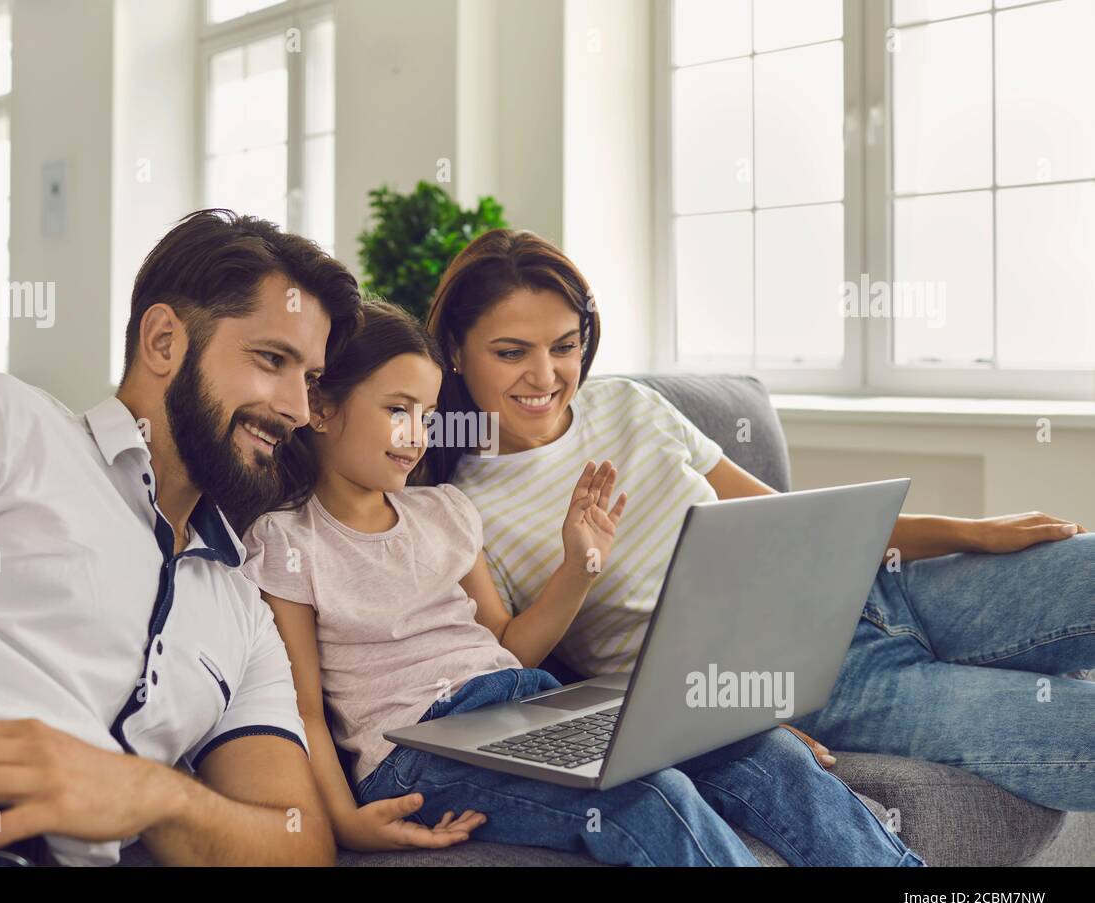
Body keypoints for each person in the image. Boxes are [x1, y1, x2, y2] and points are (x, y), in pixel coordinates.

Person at [426, 227, 1095, 813]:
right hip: (819, 687)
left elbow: (789, 519)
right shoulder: (460, 506)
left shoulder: (631, 405)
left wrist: (969, 531)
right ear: (455, 351)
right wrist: (582, 570)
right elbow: (513, 663)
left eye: (565, 345)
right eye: (511, 352)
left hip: (880, 590)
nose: (545, 375)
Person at [240, 301, 924, 866]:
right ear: (322, 410)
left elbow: (513, 643)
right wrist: (344, 822)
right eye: (397, 410)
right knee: (646, 796)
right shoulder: (287, 541)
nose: (417, 435)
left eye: (427, 414)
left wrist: (579, 565)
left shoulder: (444, 511)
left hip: (524, 702)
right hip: (416, 749)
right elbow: (301, 709)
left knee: (759, 745)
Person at [0, 209, 360, 866]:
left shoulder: (243, 615)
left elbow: (300, 843)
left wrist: (152, 794)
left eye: (310, 380)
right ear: (163, 341)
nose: (296, 407)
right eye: (272, 360)